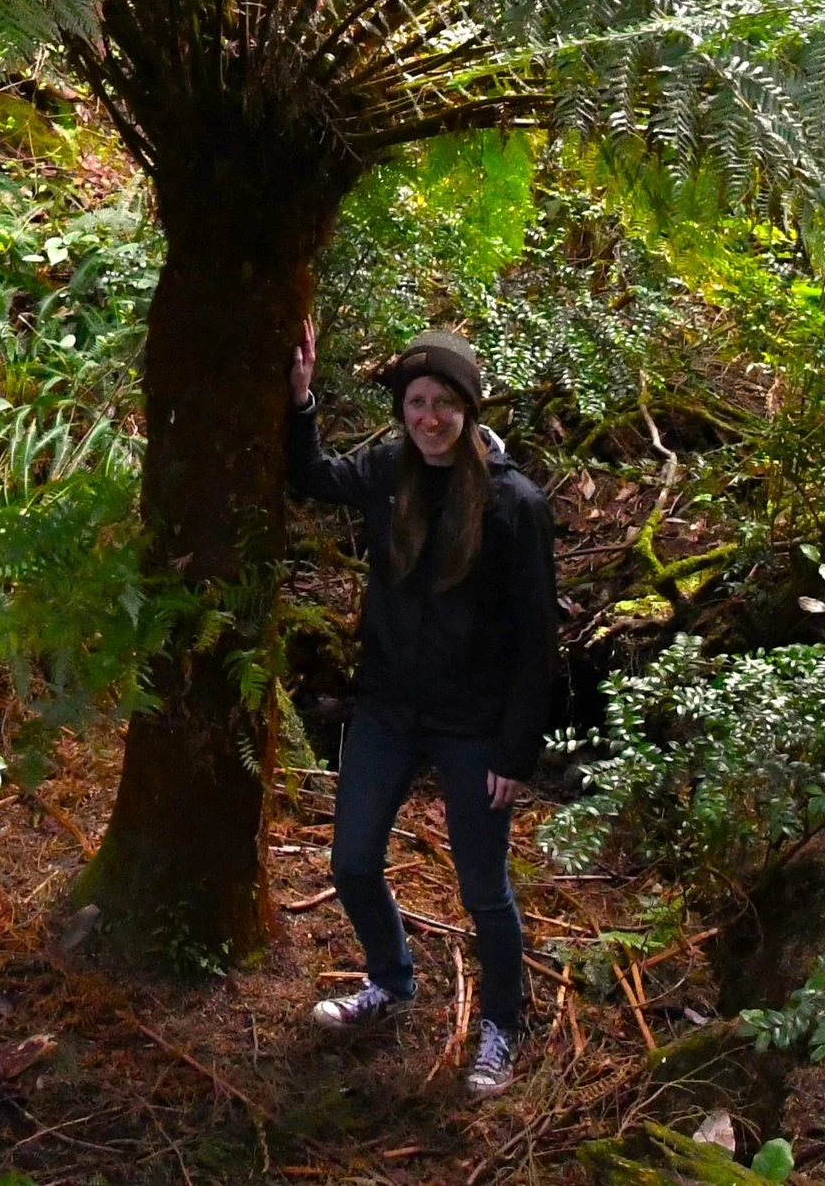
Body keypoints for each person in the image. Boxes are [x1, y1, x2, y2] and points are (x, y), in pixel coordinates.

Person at [286, 321, 560, 1100]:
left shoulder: (514, 503)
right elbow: (308, 475)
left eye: (444, 403)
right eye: (416, 401)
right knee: (352, 861)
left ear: (470, 409)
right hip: (388, 709)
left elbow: (538, 636)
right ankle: (391, 981)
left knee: (483, 891)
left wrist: (516, 751)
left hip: (474, 725)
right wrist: (301, 397)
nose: (429, 417)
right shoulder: (386, 472)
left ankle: (501, 1025)